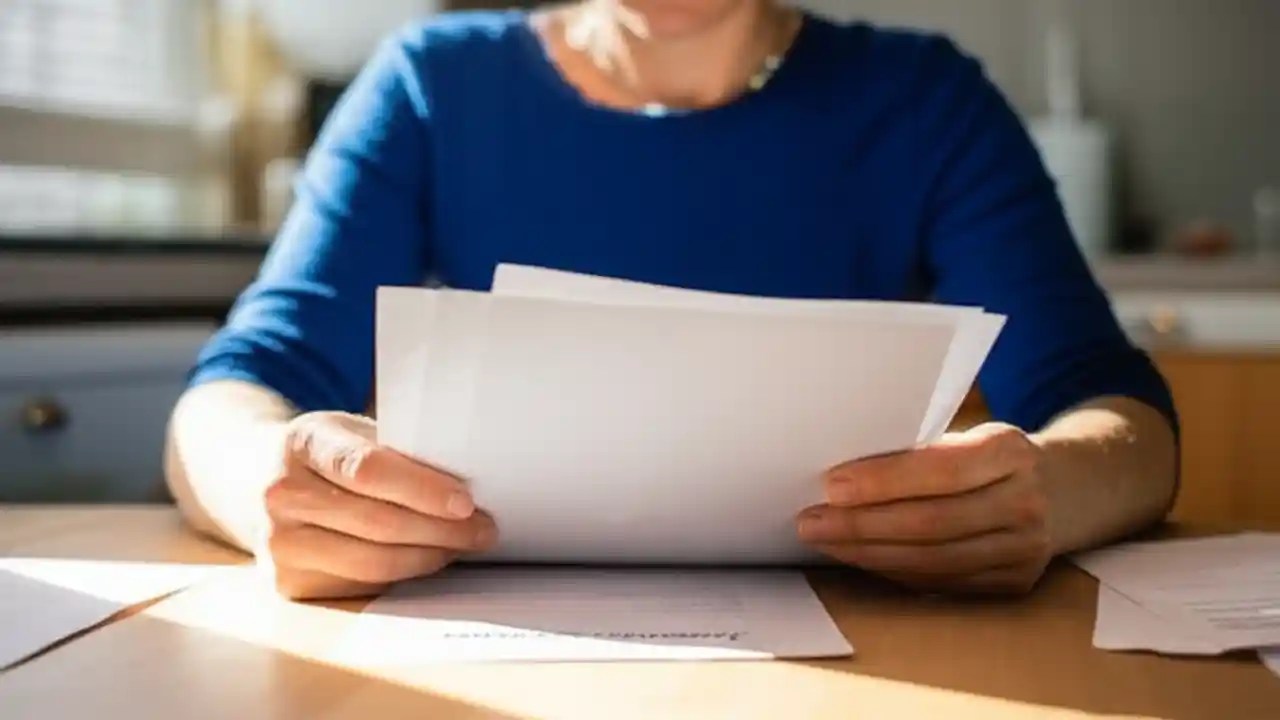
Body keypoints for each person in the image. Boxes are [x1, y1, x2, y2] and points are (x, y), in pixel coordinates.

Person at [166, 0, 1178, 600]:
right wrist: (272, 480)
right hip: (493, 649)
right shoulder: (430, 85)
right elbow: (245, 382)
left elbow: (1107, 403)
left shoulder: (924, 99)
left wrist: (1044, 487)